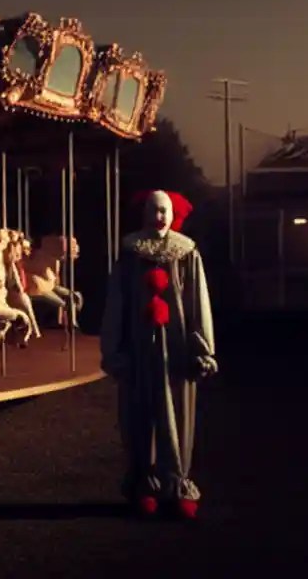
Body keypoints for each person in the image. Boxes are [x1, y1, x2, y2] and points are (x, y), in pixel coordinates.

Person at [100, 189, 217, 520]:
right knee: (140, 416)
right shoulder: (130, 254)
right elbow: (116, 305)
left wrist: (202, 348)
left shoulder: (186, 254)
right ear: (145, 213)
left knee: (177, 413)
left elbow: (198, 302)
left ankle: (177, 483)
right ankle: (145, 485)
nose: (160, 217)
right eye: (154, 210)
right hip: (139, 349)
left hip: (176, 351)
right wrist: (115, 350)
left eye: (164, 210)